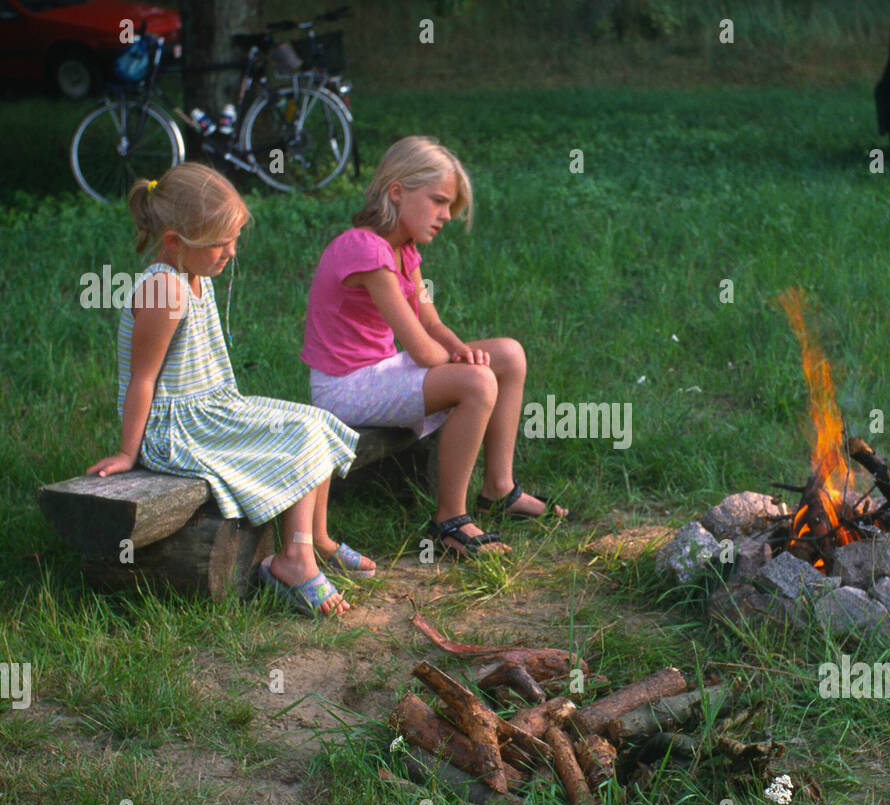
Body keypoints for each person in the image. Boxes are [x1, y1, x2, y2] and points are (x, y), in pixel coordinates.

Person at [86, 163, 370, 615]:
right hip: (176, 428)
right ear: (175, 242)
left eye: (233, 239)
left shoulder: (195, 276)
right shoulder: (165, 290)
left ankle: (316, 539)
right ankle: (293, 562)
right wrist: (128, 452)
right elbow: (142, 380)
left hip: (212, 407)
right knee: (297, 438)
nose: (231, 252)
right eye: (220, 243)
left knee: (313, 421)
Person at [302, 135, 568, 557]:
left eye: (450, 207)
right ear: (397, 192)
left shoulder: (403, 249)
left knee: (509, 355)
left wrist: (462, 350)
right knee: (478, 384)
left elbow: (431, 322)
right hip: (345, 388)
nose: (445, 215)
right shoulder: (364, 249)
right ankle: (449, 520)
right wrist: (463, 367)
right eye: (439, 201)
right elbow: (423, 351)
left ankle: (499, 488)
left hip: (381, 372)